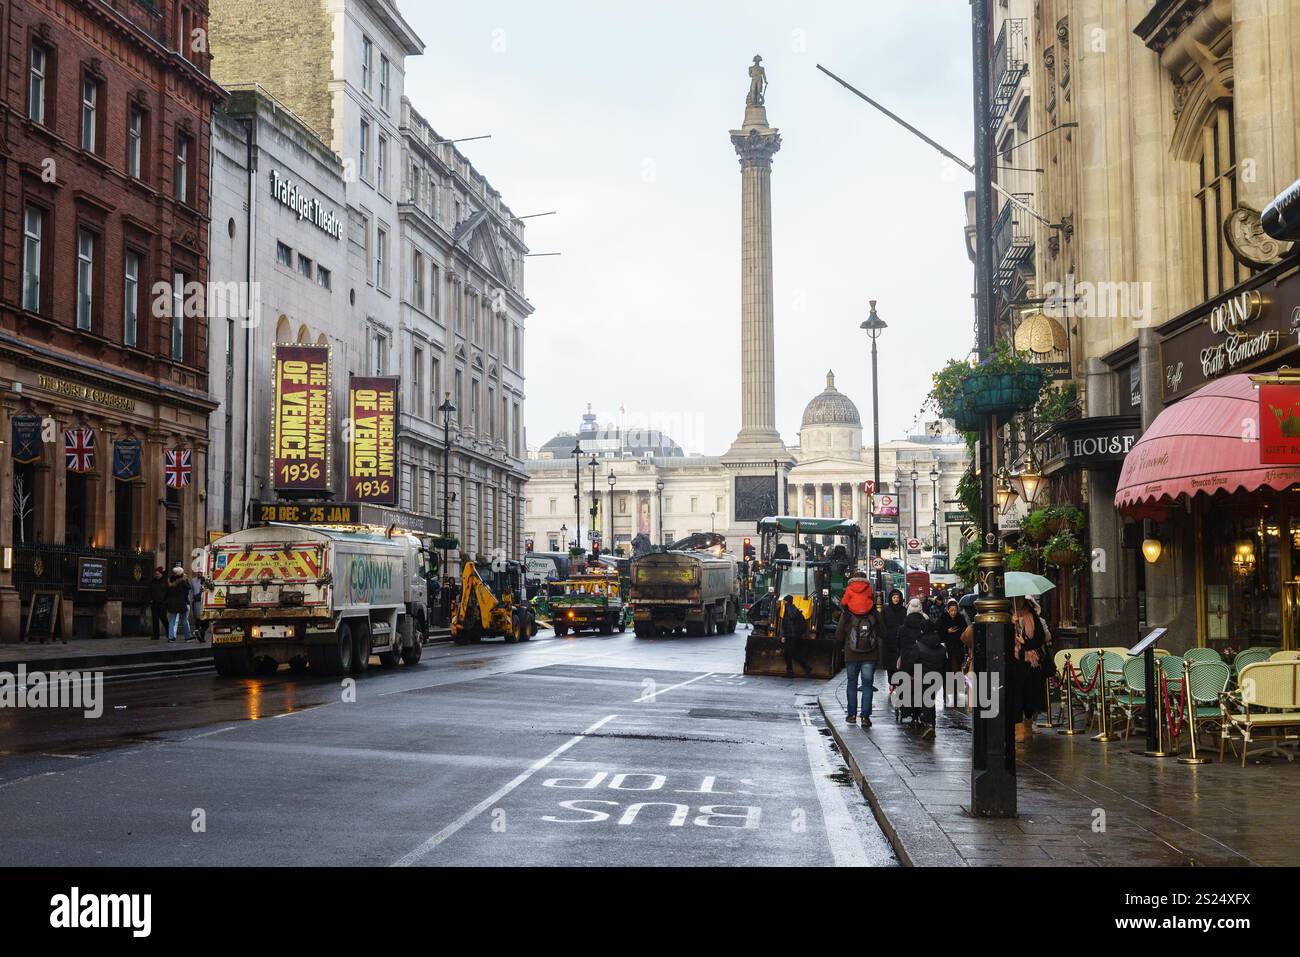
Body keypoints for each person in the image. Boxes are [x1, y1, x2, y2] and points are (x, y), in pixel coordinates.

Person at [835, 572, 883, 727]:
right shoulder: (873, 612)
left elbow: (839, 635)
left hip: (851, 653)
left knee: (851, 684)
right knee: (867, 685)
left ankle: (851, 715)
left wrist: (842, 646)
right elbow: (884, 633)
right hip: (870, 653)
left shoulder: (847, 614)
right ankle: (865, 717)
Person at [899, 597, 946, 736]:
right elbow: (945, 663)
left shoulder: (918, 646)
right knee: (930, 699)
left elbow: (910, 663)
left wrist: (906, 673)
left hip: (922, 676)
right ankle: (930, 722)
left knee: (924, 699)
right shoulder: (941, 647)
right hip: (937, 677)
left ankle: (927, 722)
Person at [1010, 595, 1053, 742]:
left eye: (1020, 599)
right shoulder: (1008, 615)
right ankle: (1018, 730)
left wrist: (1025, 642)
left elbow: (1040, 638)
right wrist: (1012, 625)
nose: (1018, 602)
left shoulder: (1031, 615)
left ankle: (1028, 724)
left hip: (1030, 662)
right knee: (1016, 696)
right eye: (1015, 599)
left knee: (1030, 695)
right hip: (1014, 661)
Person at [937, 599, 969, 706]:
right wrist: (947, 631)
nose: (953, 612)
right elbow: (938, 630)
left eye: (955, 610)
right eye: (951, 610)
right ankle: (946, 693)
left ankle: (955, 693)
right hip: (946, 648)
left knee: (956, 670)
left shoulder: (961, 618)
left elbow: (965, 631)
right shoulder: (943, 618)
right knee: (947, 671)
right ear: (947, 610)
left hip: (958, 648)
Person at [881, 588, 907, 688]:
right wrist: (885, 634)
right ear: (891, 598)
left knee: (899, 663)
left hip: (900, 641)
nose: (896, 599)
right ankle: (891, 682)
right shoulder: (886, 610)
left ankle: (898, 682)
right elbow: (882, 624)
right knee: (889, 664)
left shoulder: (903, 610)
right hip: (888, 641)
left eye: (898, 597)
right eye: (894, 597)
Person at [779, 594, 810, 676]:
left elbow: (786, 624)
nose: (784, 602)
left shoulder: (788, 609)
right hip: (794, 635)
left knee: (789, 653)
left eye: (785, 601)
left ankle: (793, 671)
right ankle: (803, 667)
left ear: (787, 602)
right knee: (791, 652)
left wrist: (783, 636)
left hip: (790, 635)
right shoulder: (794, 609)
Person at [165, 564, 192, 643]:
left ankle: (171, 637)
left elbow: (167, 591)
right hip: (181, 603)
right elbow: (188, 588)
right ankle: (187, 636)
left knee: (172, 621)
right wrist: (185, 580)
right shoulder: (183, 580)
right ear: (181, 573)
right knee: (184, 620)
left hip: (172, 603)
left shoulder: (170, 579)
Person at [149, 566, 168, 641]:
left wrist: (166, 601)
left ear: (161, 574)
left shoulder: (165, 581)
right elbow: (150, 591)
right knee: (155, 619)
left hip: (163, 603)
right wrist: (150, 599)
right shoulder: (153, 581)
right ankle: (155, 635)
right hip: (154, 603)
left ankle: (168, 631)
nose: (156, 575)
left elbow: (168, 592)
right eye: (155, 574)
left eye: (158, 574)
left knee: (163, 617)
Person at [189, 573, 206, 643]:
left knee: (204, 620)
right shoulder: (193, 580)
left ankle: (200, 634)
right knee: (198, 619)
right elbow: (191, 591)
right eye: (198, 572)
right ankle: (199, 635)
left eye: (201, 572)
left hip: (205, 602)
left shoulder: (206, 580)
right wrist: (191, 600)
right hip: (197, 602)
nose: (199, 573)